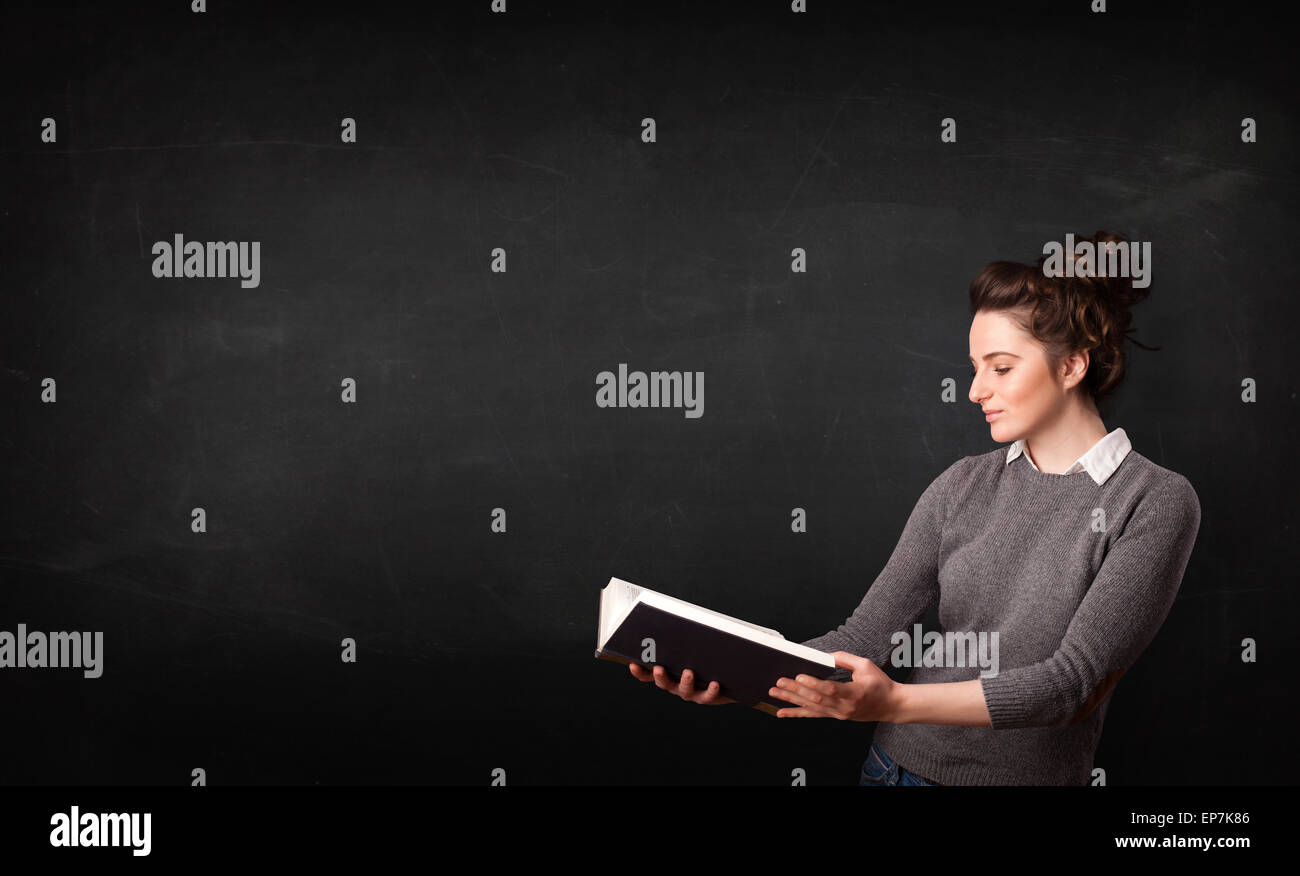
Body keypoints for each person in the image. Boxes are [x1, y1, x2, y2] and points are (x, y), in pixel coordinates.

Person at [628, 230, 1202, 785]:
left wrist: (895, 702)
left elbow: (1070, 687)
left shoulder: (1153, 501)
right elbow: (864, 636)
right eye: (975, 368)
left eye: (1000, 367)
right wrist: (735, 676)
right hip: (893, 772)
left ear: (1072, 367)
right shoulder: (960, 485)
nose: (977, 390)